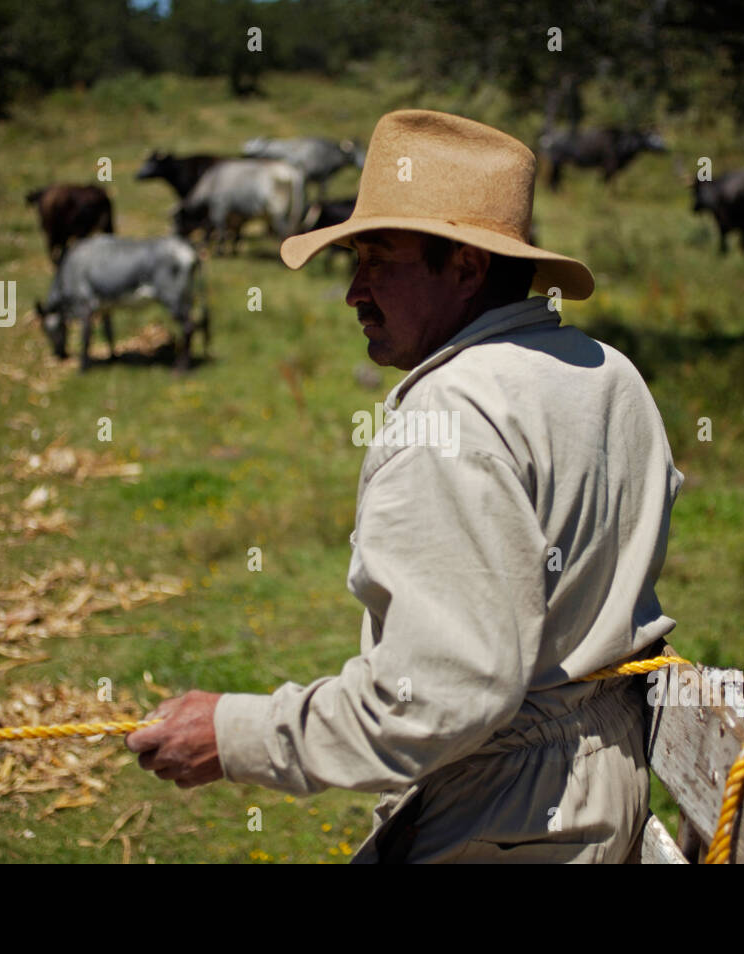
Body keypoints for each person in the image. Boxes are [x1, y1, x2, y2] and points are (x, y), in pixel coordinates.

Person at [126, 109, 684, 863]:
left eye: (378, 259)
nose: (354, 291)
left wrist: (234, 734)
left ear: (464, 266)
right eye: (353, 260)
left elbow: (438, 698)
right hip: (602, 784)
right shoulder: (607, 371)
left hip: (507, 816)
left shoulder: (449, 413)